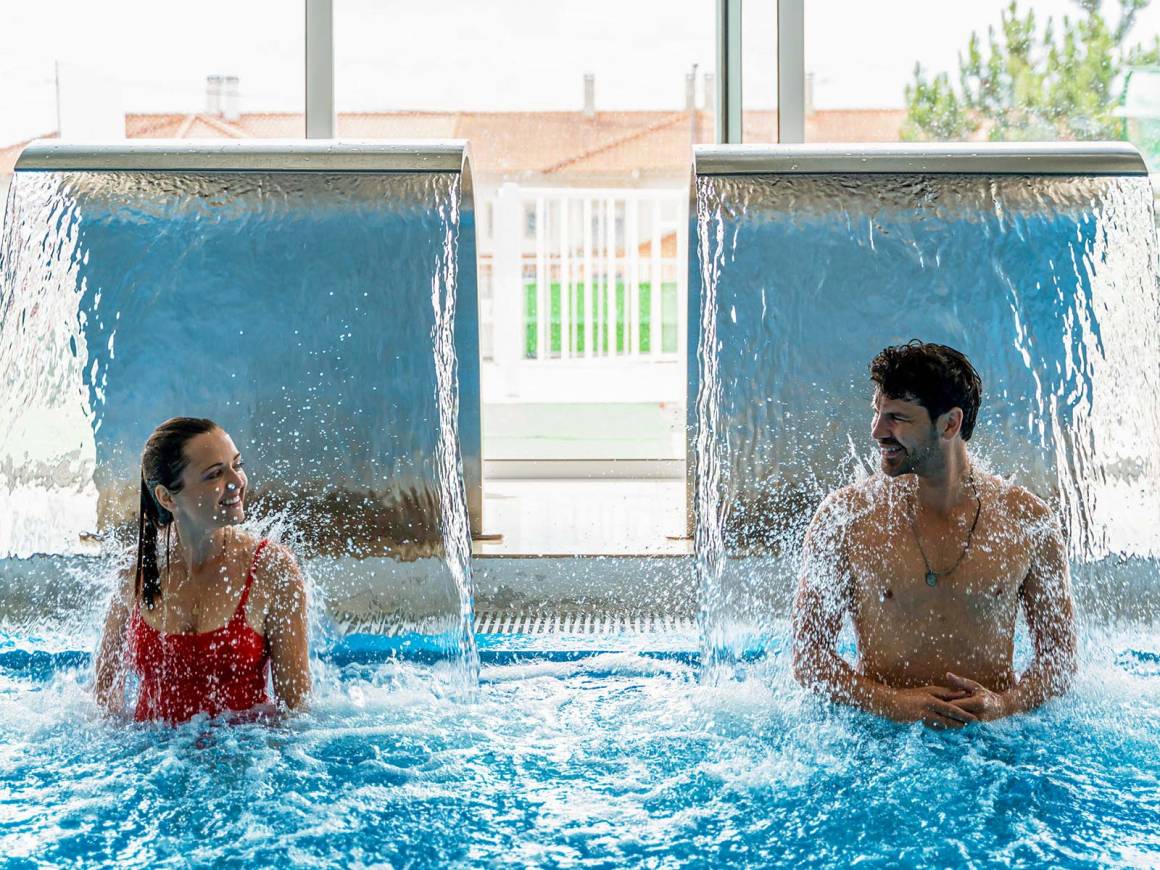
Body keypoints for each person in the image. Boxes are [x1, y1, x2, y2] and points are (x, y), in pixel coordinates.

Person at [792, 341, 1076, 728]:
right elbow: (809, 658)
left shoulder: (1027, 520)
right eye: (876, 413)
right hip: (886, 741)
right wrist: (892, 703)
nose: (877, 431)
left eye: (897, 418)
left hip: (992, 746)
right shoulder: (846, 518)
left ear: (949, 423)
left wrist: (1004, 705)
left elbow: (1059, 659)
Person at [94, 417, 311, 723]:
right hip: (152, 761)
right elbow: (105, 700)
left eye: (238, 465)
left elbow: (296, 712)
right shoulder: (135, 572)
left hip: (244, 759)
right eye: (214, 475)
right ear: (167, 498)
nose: (237, 481)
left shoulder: (271, 570)